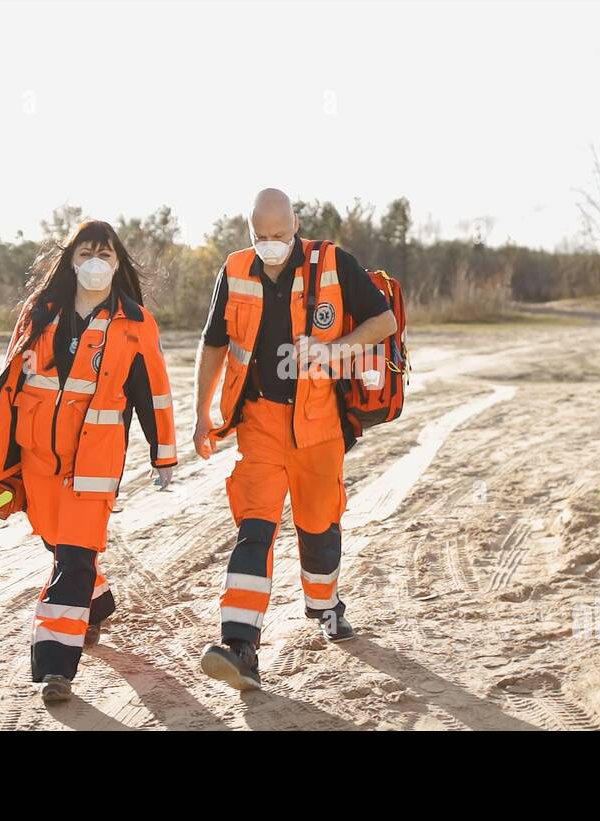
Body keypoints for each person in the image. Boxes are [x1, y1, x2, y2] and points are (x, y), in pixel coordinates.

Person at [0, 219, 177, 704]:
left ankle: (55, 665)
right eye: (85, 253)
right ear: (71, 260)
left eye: (106, 254)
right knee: (60, 544)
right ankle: (97, 604)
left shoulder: (135, 321)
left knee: (75, 555)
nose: (95, 262)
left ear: (118, 264)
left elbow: (152, 391)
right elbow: (10, 381)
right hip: (38, 458)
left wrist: (164, 454)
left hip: (95, 461)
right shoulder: (41, 311)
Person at [191, 188, 398, 691]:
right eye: (260, 236)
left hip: (320, 424)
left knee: (318, 526)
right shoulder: (236, 270)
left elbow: (385, 320)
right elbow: (214, 342)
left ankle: (326, 606)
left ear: (297, 224)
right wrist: (200, 413)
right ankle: (240, 647)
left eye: (279, 235)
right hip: (260, 422)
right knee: (254, 529)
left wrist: (335, 351)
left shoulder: (333, 263)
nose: (270, 245)